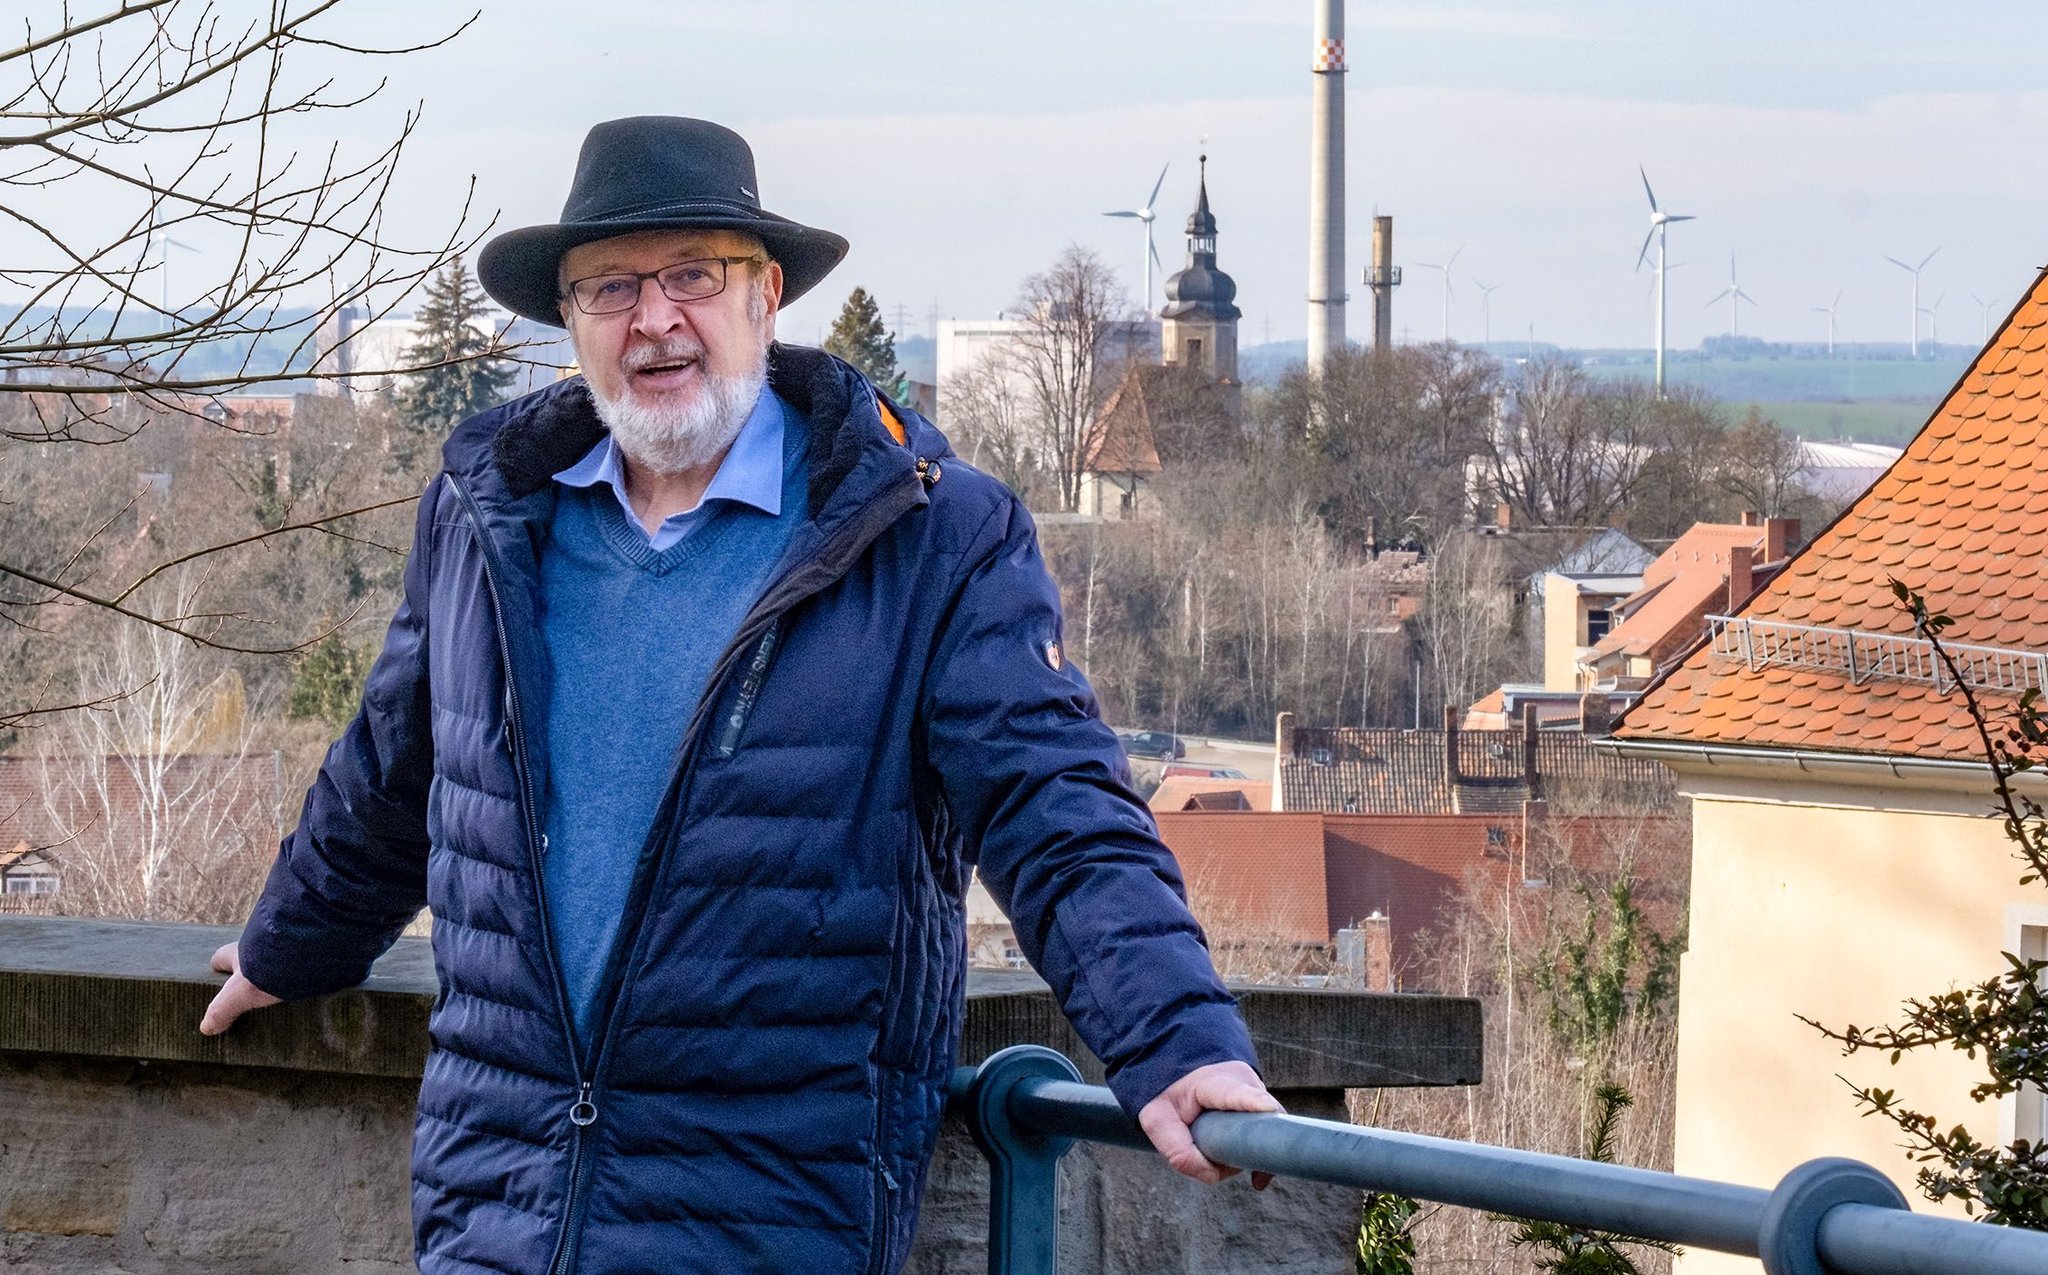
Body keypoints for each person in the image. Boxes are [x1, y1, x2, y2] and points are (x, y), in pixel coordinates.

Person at [200, 116, 1276, 1274]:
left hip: (765, 1207)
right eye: (608, 287)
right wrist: (292, 942)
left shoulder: (927, 533)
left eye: (691, 277)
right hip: (502, 1199)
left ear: (766, 298)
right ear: (570, 323)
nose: (653, 319)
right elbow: (400, 758)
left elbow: (1051, 800)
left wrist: (1172, 1035)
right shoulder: (487, 511)